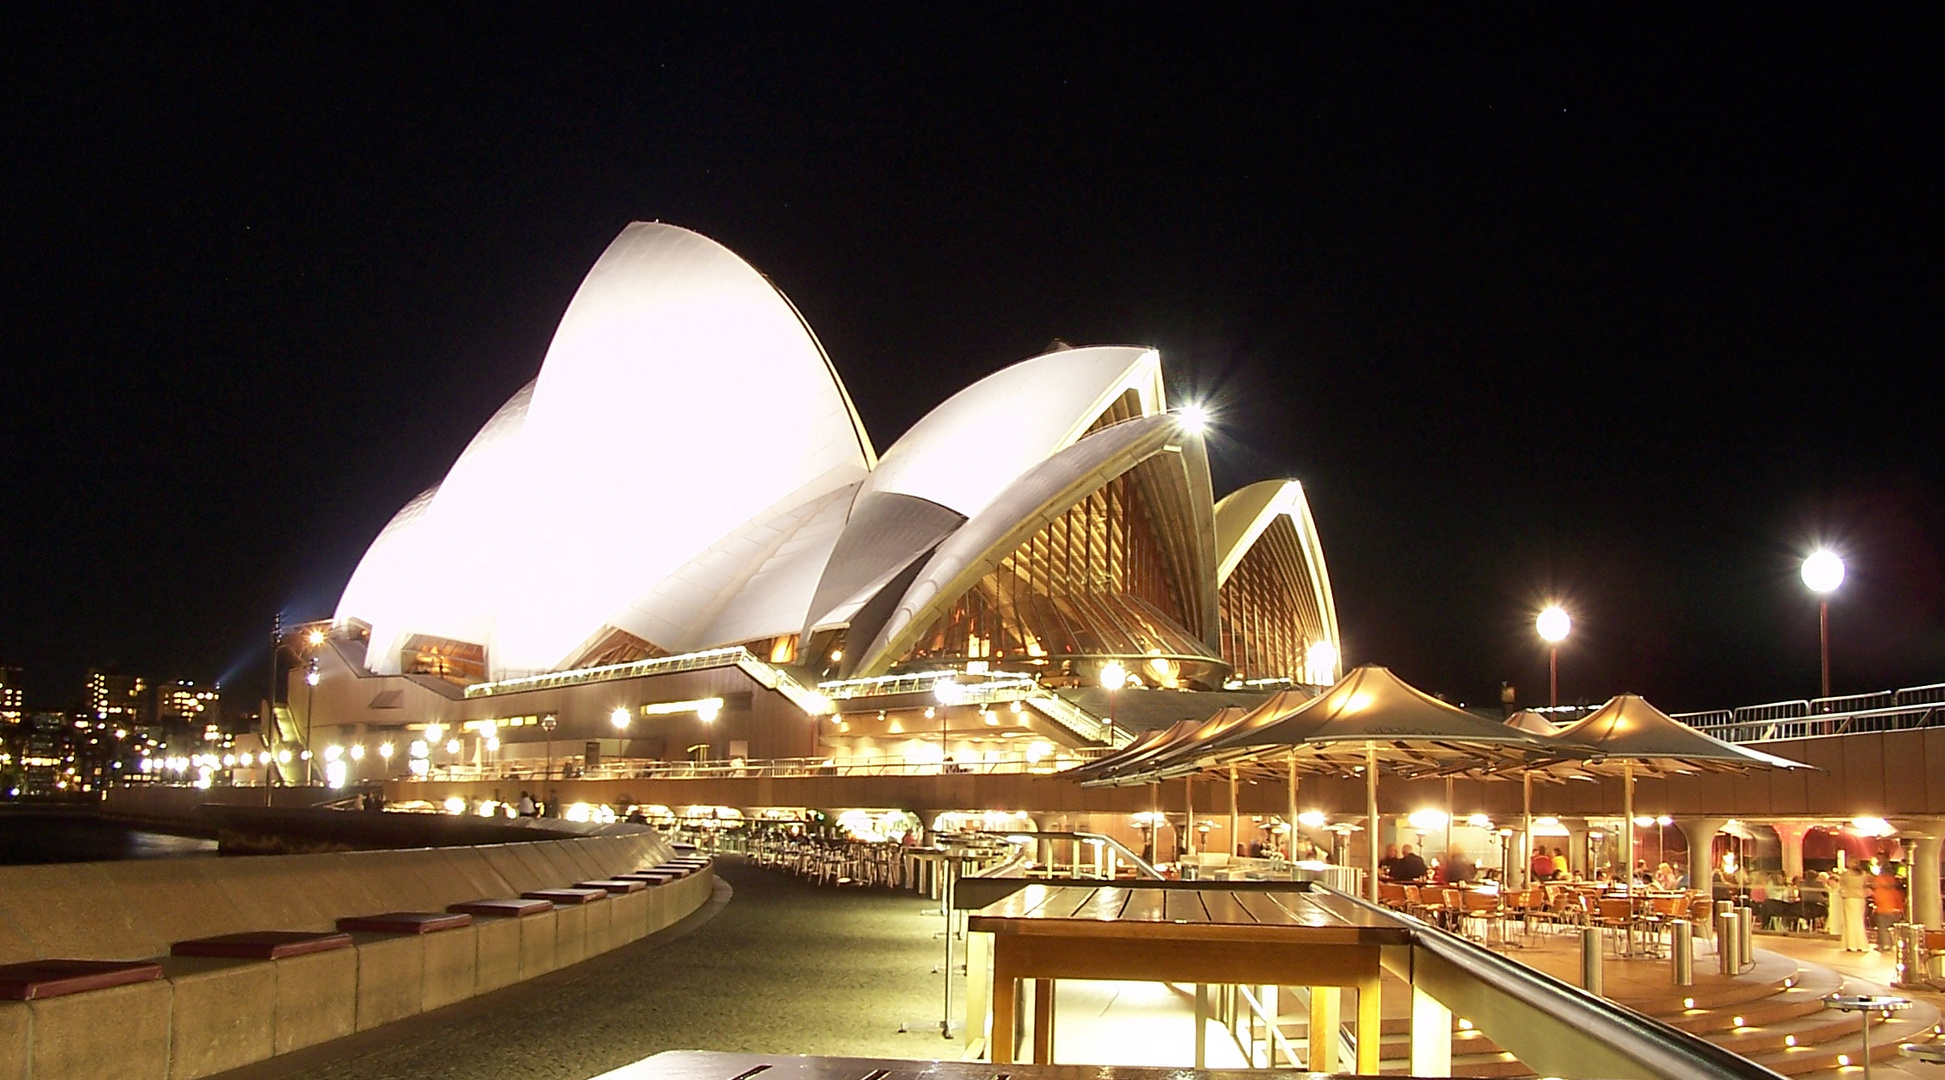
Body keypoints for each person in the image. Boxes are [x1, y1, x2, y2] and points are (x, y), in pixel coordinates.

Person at [1871, 861, 1906, 950]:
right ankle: (1889, 944)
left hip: (1883, 908)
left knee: (1882, 928)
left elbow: (1877, 895)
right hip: (1896, 909)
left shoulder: (1879, 881)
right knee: (1889, 928)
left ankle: (1885, 945)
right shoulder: (1895, 882)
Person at [1837, 863, 1870, 952]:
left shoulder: (1847, 874)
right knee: (1859, 921)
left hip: (1850, 897)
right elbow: (1866, 884)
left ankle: (1851, 945)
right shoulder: (1863, 874)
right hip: (1860, 898)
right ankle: (1861, 944)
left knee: (1850, 921)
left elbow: (1841, 883)